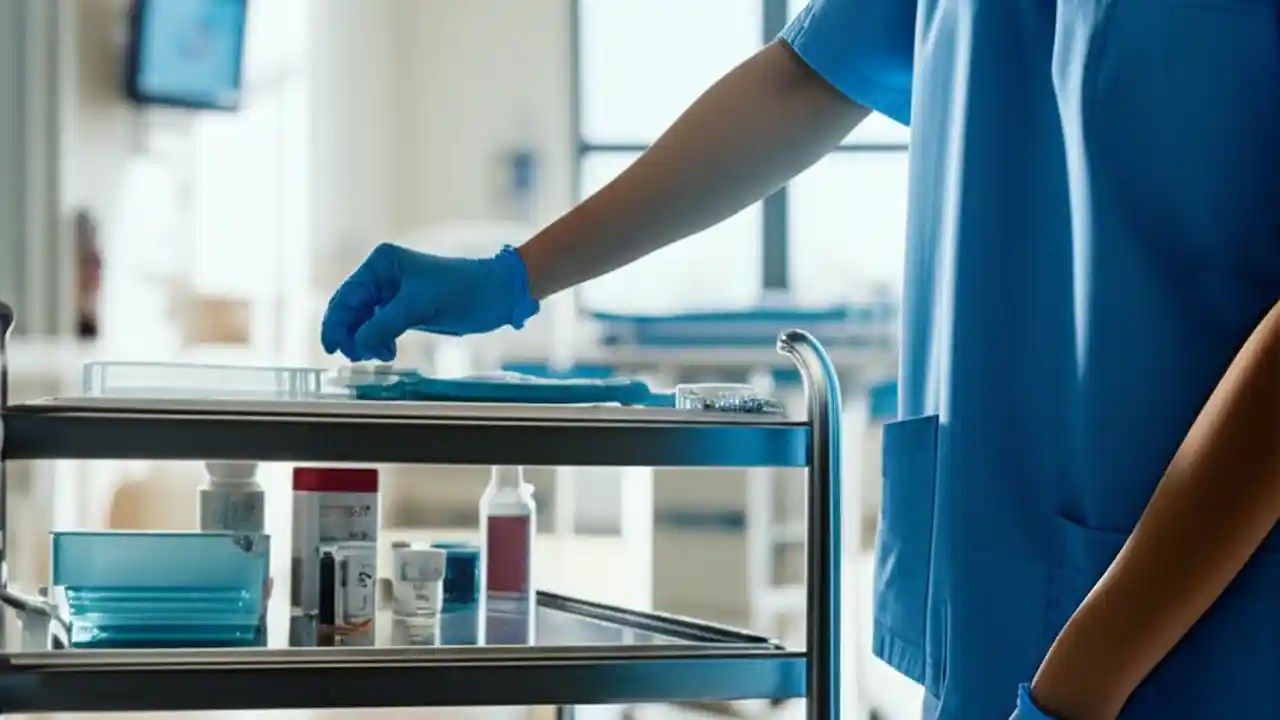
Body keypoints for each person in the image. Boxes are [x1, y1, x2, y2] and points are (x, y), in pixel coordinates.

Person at [322, 1, 1280, 716]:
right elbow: (803, 80)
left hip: (1204, 620)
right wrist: (514, 276)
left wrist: (1084, 681)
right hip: (1008, 595)